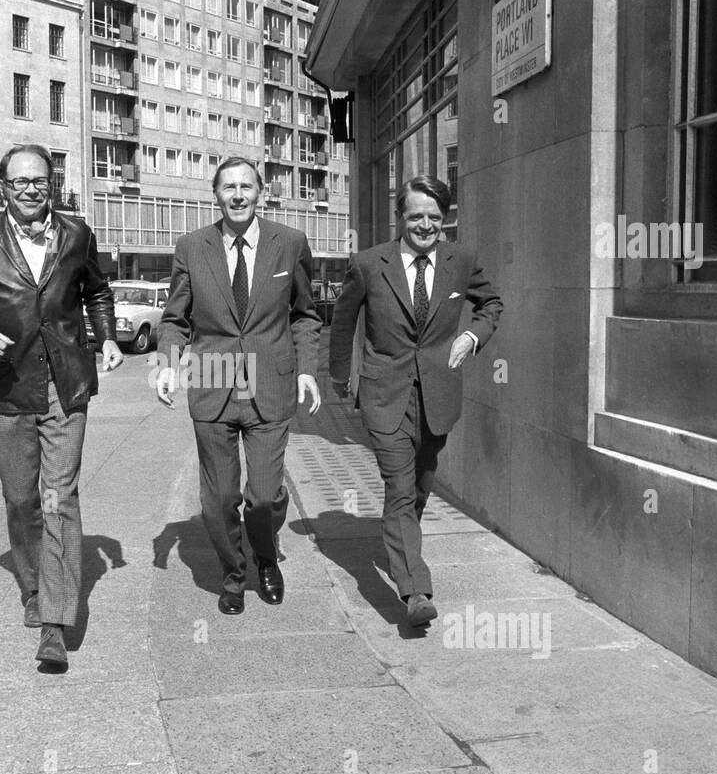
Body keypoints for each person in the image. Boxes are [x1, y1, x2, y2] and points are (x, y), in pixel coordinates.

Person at [0, 144, 123, 669]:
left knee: (57, 497)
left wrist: (106, 337)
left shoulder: (77, 235)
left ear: (52, 185)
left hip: (66, 386)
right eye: (19, 181)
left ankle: (55, 621)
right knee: (22, 500)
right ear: (2, 186)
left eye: (39, 181)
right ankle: (31, 585)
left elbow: (98, 291)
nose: (30, 189)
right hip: (7, 390)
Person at [329, 176, 502, 627]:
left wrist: (471, 336)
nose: (424, 225)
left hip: (438, 394)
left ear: (444, 217)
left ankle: (404, 550)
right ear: (400, 218)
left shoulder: (460, 260)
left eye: (433, 216)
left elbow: (492, 305)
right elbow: (344, 321)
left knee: (422, 483)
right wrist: (338, 379)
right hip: (385, 392)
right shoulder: (369, 263)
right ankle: (415, 590)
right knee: (400, 488)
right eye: (415, 216)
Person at [155, 157, 322, 615]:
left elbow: (306, 315)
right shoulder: (192, 246)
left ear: (260, 192)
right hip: (213, 384)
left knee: (264, 496)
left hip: (270, 384)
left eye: (246, 186)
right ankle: (232, 574)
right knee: (218, 499)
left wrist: (307, 368)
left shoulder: (289, 243)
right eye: (228, 187)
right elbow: (175, 318)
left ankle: (266, 557)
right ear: (216, 194)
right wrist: (169, 363)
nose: (238, 195)